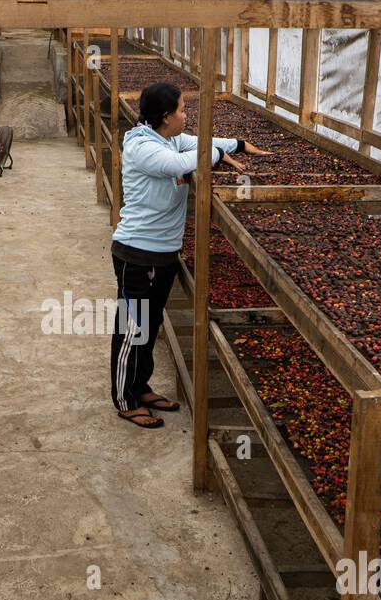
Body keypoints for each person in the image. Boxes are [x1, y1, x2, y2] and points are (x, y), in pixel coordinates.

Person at [110, 82, 272, 428]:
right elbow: (181, 163)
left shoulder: (166, 138)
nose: (187, 115)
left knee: (149, 327)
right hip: (137, 254)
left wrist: (238, 146)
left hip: (163, 254)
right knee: (131, 329)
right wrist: (217, 156)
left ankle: (140, 387)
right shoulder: (143, 148)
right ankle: (124, 399)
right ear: (167, 117)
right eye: (184, 110)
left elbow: (200, 144)